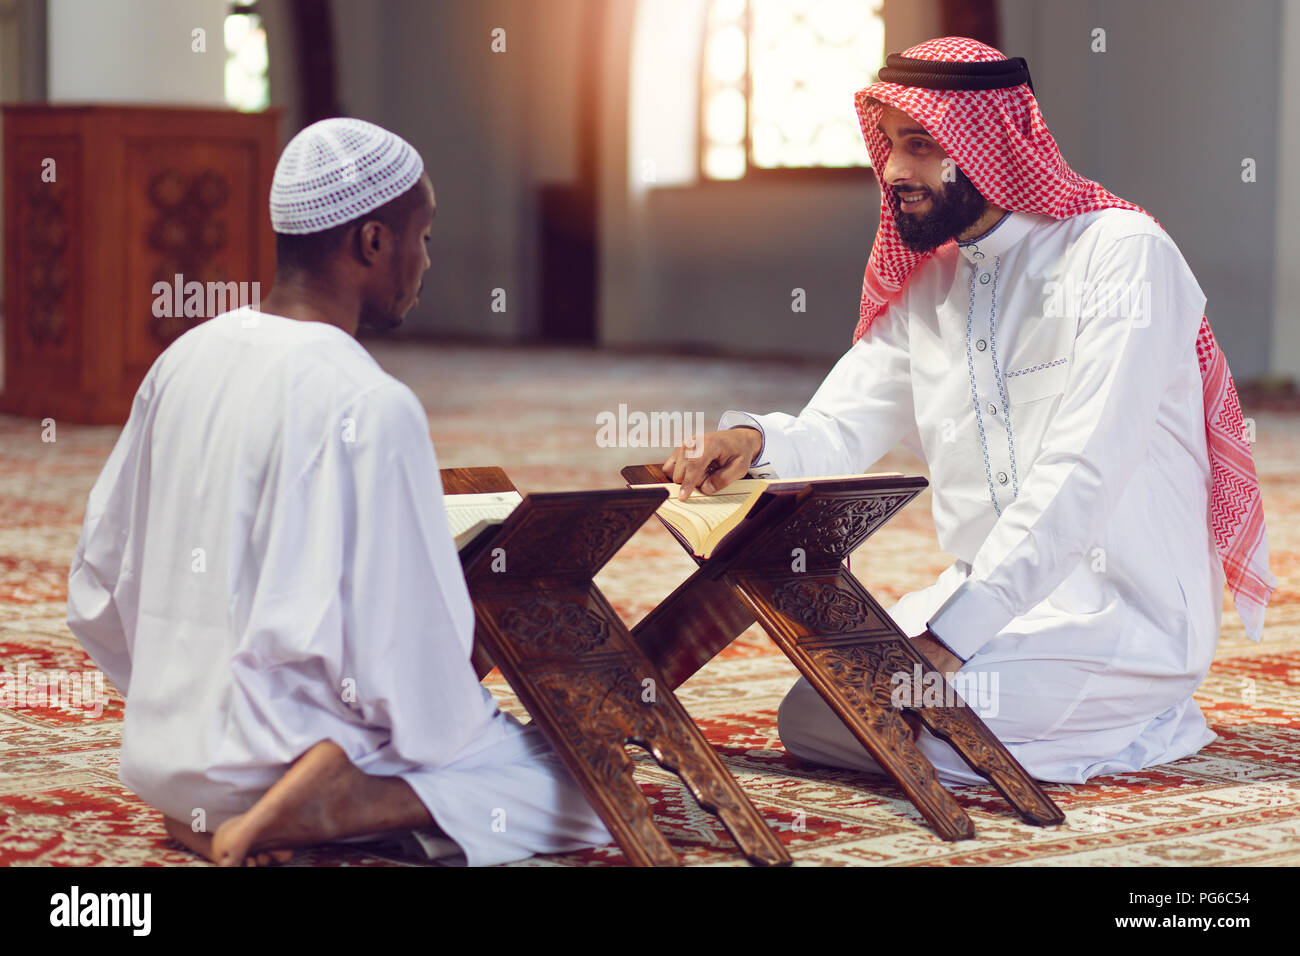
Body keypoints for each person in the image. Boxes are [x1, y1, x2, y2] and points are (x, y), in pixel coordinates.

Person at [663, 38, 1277, 786]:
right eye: (889, 145)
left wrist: (953, 637)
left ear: (988, 147)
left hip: (1117, 612)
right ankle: (1063, 720)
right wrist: (750, 438)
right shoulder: (935, 279)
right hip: (983, 598)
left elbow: (1081, 470)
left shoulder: (1120, 255)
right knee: (813, 716)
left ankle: (1145, 713)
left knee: (925, 735)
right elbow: (840, 427)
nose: (893, 171)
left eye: (919, 146)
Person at [67, 117, 610, 865]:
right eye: (422, 238)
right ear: (373, 242)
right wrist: (452, 732)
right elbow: (412, 664)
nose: (425, 262)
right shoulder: (368, 402)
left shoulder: (186, 357)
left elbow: (97, 578)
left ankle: (222, 814)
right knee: (590, 786)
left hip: (169, 759)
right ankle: (335, 804)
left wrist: (176, 696)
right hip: (287, 755)